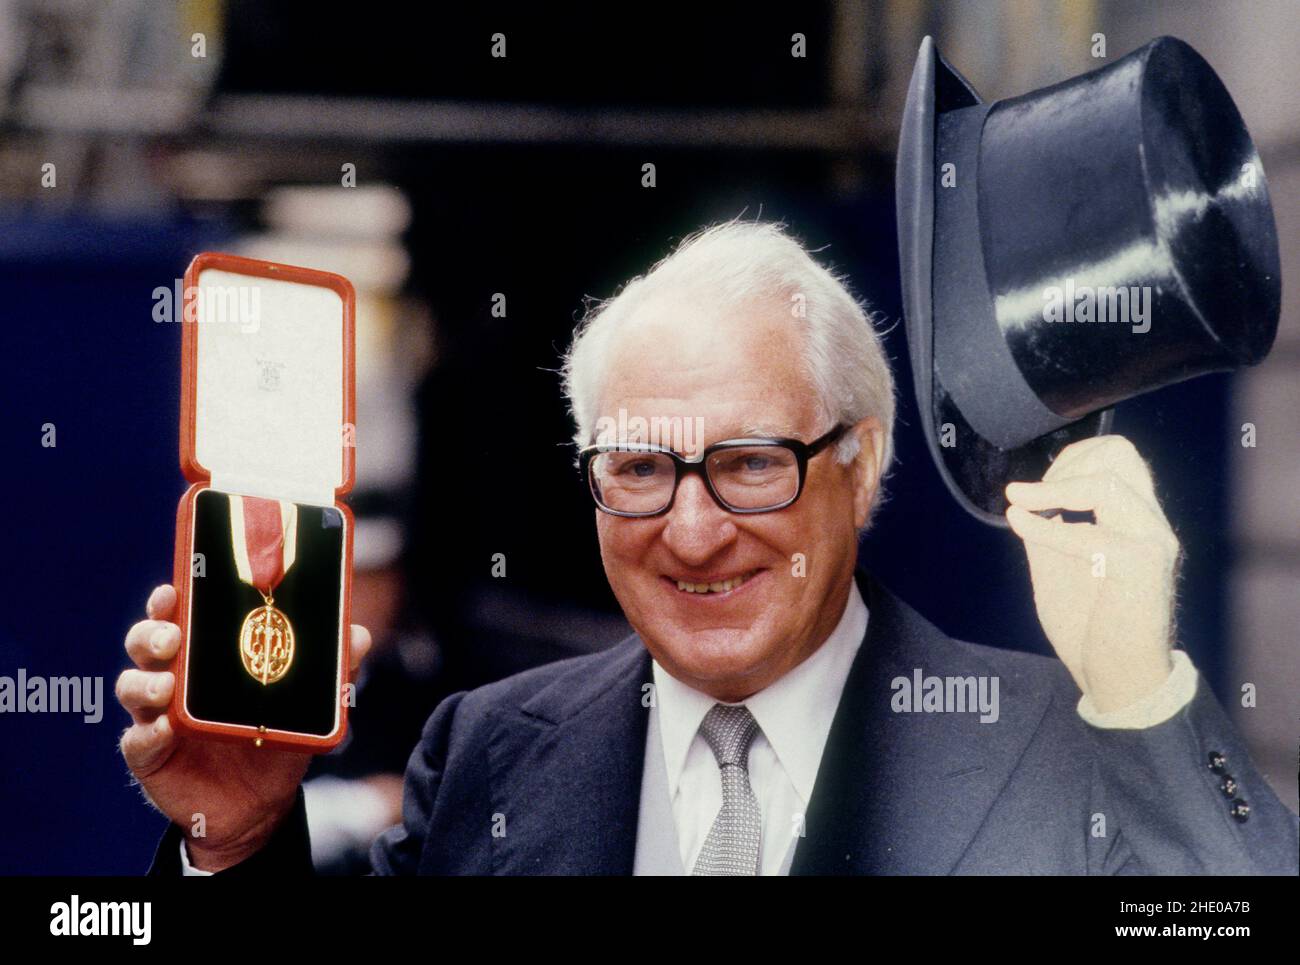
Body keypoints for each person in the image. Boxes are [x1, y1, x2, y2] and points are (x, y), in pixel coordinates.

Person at [118, 221, 1299, 875]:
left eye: (747, 462)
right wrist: (239, 840)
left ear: (863, 459)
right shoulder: (488, 758)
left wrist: (1142, 697)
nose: (689, 529)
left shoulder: (1057, 751)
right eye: (637, 467)